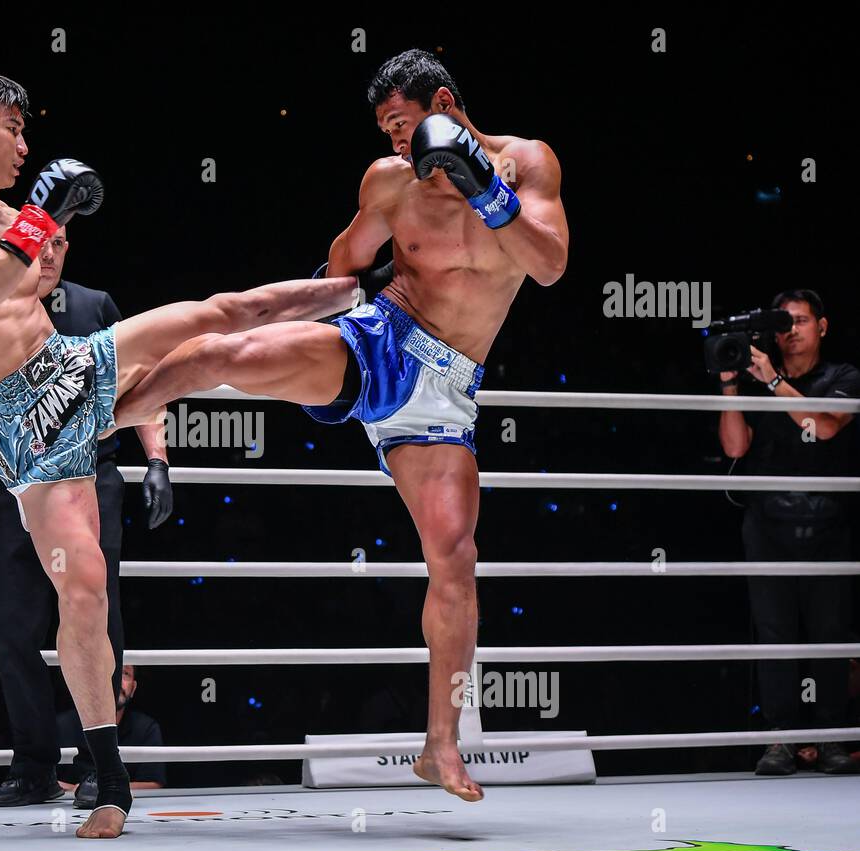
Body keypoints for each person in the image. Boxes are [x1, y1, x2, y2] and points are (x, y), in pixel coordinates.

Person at [0, 70, 353, 837]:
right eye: (14, 125)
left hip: (72, 368)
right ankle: (108, 780)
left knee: (218, 319)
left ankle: (361, 292)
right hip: (22, 423)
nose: (25, 143)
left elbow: (33, 281)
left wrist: (46, 223)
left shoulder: (14, 217)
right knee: (84, 593)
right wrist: (41, 217)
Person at [113, 49, 568, 801]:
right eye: (385, 128)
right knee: (226, 353)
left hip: (447, 390)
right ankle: (101, 420)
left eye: (403, 123)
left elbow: (549, 264)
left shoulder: (526, 164)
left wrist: (483, 187)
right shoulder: (389, 182)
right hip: (380, 341)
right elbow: (341, 266)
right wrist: (361, 292)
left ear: (446, 103)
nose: (394, 142)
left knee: (455, 557)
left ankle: (441, 747)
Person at [0, 225, 173, 807]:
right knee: (14, 629)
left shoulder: (94, 305)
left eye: (60, 242)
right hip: (19, 487)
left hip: (93, 483)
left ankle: (100, 762)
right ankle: (34, 766)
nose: (48, 251)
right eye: (39, 240)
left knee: (102, 617)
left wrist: (157, 460)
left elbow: (140, 379)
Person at [717, 289, 859, 775]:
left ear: (822, 326)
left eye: (800, 321)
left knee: (829, 635)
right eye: (784, 323)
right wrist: (732, 388)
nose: (791, 330)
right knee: (774, 636)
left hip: (829, 523)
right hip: (768, 523)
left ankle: (833, 740)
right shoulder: (758, 385)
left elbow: (823, 427)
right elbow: (736, 446)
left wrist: (774, 380)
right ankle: (780, 739)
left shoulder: (843, 377)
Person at [57, 665, 166, 806]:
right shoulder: (62, 725)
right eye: (112, 670)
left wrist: (108, 788)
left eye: (125, 673)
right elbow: (45, 780)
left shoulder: (146, 728)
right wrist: (76, 789)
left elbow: (154, 783)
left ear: (133, 688)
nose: (117, 680)